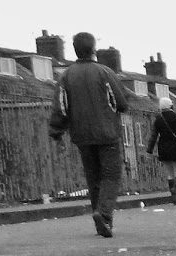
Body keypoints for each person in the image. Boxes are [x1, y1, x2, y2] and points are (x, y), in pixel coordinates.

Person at [48, 32, 129, 238]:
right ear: (93, 49)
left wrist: (56, 132)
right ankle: (103, 215)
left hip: (82, 136)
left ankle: (100, 221)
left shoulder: (65, 76)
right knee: (111, 176)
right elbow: (122, 103)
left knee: (94, 178)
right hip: (107, 134)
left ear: (74, 49)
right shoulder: (105, 72)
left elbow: (61, 108)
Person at [146, 97, 176, 206]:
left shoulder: (158, 119)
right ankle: (175, 189)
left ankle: (174, 198)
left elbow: (154, 136)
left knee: (170, 174)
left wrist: (149, 150)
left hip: (163, 149)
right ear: (171, 105)